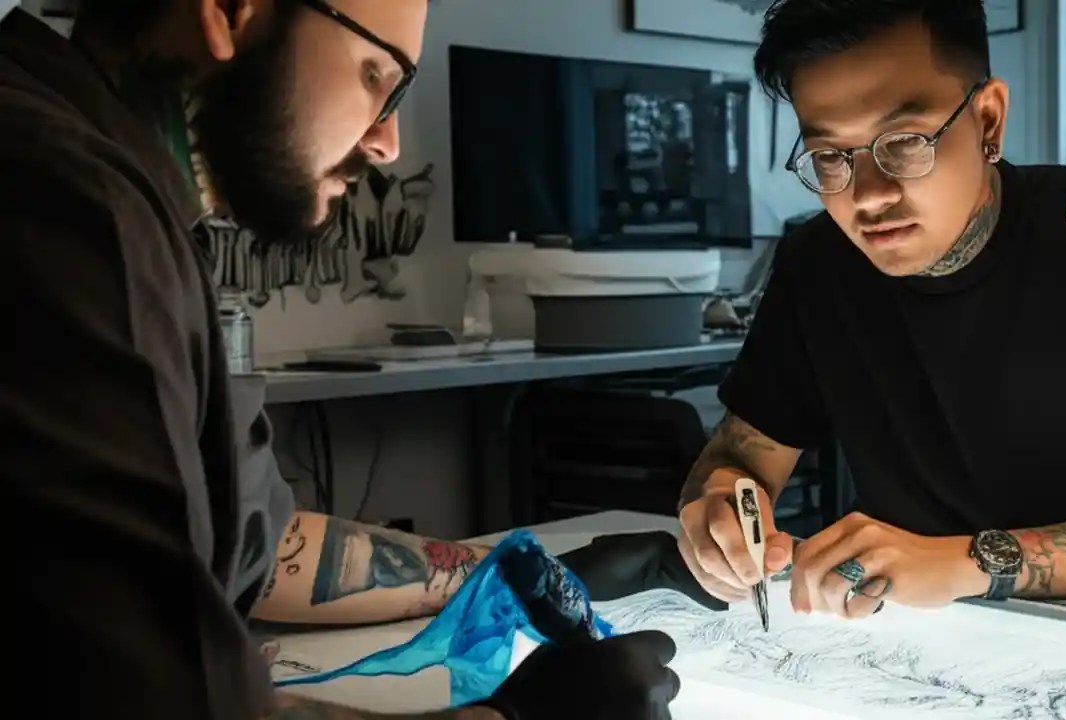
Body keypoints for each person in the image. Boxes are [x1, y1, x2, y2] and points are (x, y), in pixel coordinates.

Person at [0, 1, 678, 718]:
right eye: (376, 75)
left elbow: (258, 543)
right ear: (228, 10)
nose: (388, 143)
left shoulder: (131, 199)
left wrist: (509, 574)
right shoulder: (63, 201)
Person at [677, 0, 1066, 620]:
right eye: (832, 158)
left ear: (988, 119)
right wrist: (718, 504)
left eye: (905, 143)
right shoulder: (817, 265)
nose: (870, 196)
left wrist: (972, 562)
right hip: (926, 644)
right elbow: (739, 460)